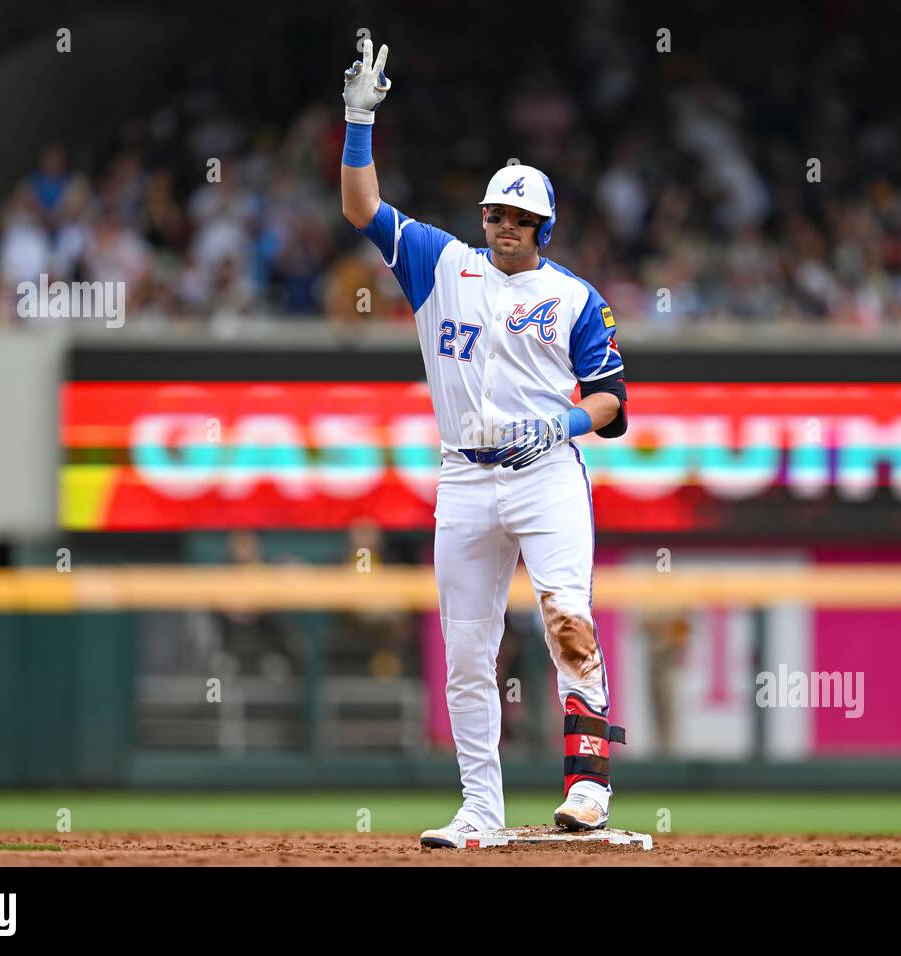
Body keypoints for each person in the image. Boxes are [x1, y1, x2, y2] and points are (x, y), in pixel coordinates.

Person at [339, 35, 630, 848]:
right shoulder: (441, 262)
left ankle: (587, 793)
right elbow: (362, 208)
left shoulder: (573, 296)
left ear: (543, 225)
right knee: (469, 655)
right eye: (496, 212)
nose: (504, 225)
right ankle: (480, 812)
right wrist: (358, 121)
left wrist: (561, 421)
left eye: (520, 216)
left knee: (568, 620)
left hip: (546, 471)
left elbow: (609, 400)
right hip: (464, 476)